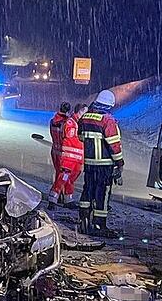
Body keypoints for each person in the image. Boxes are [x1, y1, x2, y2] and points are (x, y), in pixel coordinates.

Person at [78, 90, 123, 237]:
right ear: (109, 105)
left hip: (89, 164)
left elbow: (80, 137)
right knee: (102, 194)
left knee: (88, 190)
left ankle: (83, 221)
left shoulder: (84, 118)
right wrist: (119, 163)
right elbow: (114, 144)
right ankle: (99, 225)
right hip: (104, 165)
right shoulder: (107, 120)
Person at [49, 103, 87, 206]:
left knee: (65, 177)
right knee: (64, 177)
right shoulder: (70, 123)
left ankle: (67, 199)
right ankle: (53, 198)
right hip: (69, 156)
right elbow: (69, 140)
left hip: (59, 153)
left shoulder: (55, 121)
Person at [48, 101, 72, 179]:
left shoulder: (53, 121)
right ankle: (59, 190)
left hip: (55, 151)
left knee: (58, 172)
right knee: (64, 176)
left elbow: (52, 134)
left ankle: (58, 188)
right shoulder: (67, 123)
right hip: (64, 152)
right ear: (68, 111)